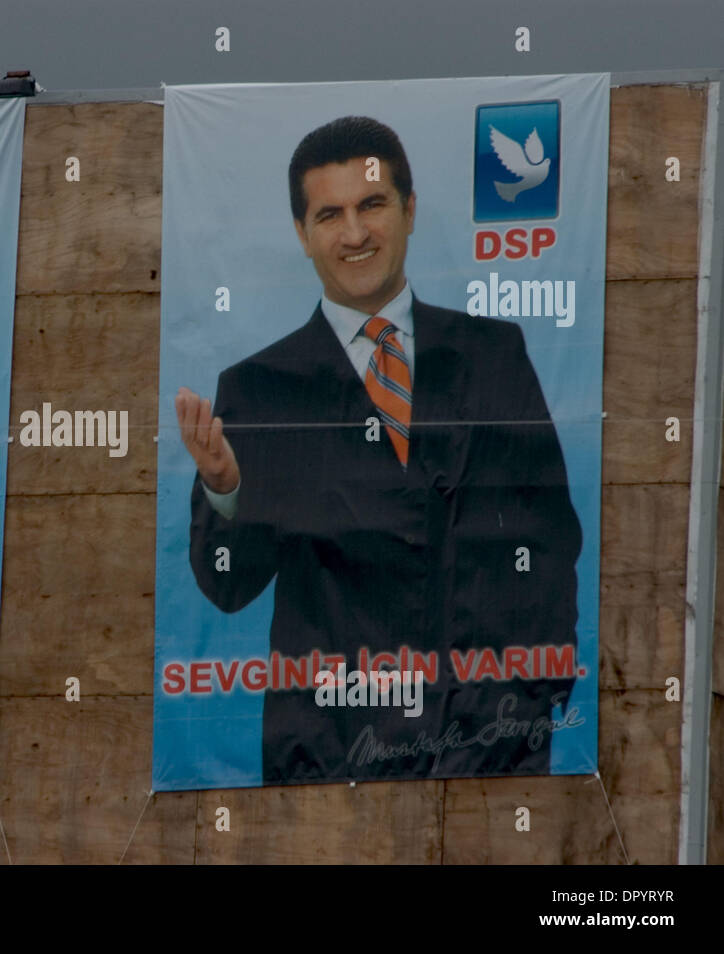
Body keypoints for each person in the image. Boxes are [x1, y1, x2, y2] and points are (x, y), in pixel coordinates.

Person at [175, 116, 581, 784]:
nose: (355, 233)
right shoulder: (257, 388)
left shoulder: (492, 355)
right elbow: (226, 587)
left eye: (372, 205)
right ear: (303, 235)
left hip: (485, 744)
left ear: (410, 210)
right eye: (329, 214)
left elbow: (546, 544)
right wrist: (228, 491)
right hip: (327, 757)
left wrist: (521, 713)